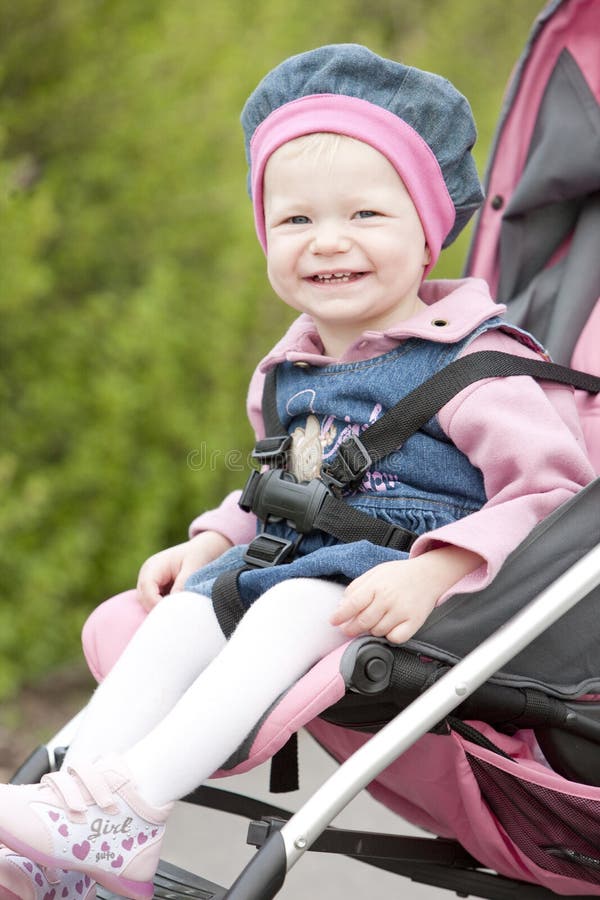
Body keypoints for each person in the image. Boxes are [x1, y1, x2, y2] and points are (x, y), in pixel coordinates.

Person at [0, 44, 593, 900]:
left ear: (430, 228)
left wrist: (440, 569)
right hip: (297, 559)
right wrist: (214, 536)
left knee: (280, 608)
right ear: (265, 236)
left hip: (418, 590)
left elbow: (550, 496)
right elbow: (293, 480)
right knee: (180, 616)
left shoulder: (479, 366)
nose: (329, 243)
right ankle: (79, 823)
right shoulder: (295, 371)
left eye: (364, 216)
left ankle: (130, 803)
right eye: (296, 222)